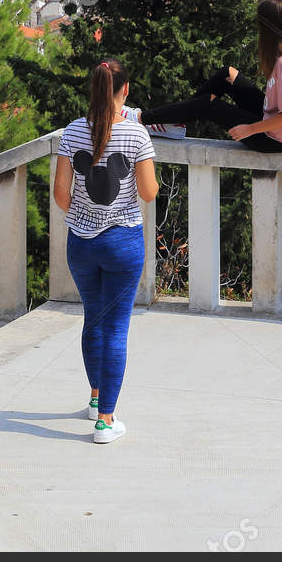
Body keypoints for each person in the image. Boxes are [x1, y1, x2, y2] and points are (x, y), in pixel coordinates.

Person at [53, 59, 158, 444]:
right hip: (123, 243)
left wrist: (85, 217)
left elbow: (61, 193)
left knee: (92, 319)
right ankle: (106, 422)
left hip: (81, 243)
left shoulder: (73, 132)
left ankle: (96, 401)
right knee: (116, 329)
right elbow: (148, 192)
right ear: (125, 91)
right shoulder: (135, 135)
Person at [140, 0, 282, 154]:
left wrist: (250, 129)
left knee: (208, 104)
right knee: (228, 74)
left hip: (273, 140)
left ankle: (142, 119)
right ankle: (176, 121)